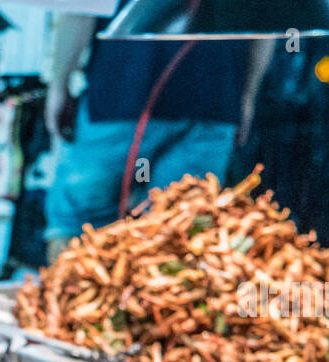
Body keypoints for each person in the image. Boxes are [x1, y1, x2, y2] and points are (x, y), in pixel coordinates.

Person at [43, 6, 272, 251]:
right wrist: (246, 96)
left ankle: (69, 287)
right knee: (182, 233)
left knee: (79, 230)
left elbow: (81, 10)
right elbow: (268, 19)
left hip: (120, 94)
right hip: (212, 100)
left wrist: (59, 84)